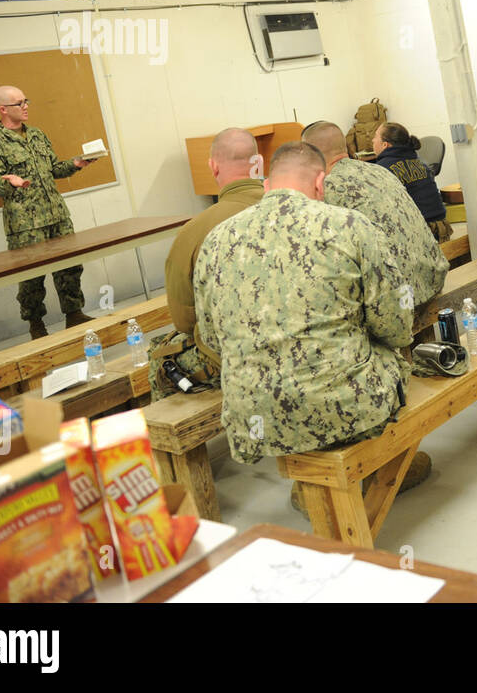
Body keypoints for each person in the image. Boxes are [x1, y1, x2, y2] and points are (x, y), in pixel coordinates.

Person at [192, 142, 414, 466]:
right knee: (390, 357)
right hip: (348, 409)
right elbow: (395, 322)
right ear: (321, 183)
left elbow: (212, 337)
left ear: (266, 186)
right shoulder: (351, 226)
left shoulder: (216, 240)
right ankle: (393, 469)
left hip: (255, 418)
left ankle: (306, 476)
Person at [152, 128, 264, 400]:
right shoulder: (300, 208)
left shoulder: (194, 232)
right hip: (309, 343)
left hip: (241, 359)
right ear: (259, 163)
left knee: (159, 361)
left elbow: (184, 319)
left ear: (213, 168)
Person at [0, 85, 98, 339]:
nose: (25, 106)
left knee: (70, 266)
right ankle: (36, 325)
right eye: (19, 103)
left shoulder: (36, 134)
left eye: (26, 101)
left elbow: (54, 169)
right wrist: (8, 182)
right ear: (3, 109)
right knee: (31, 276)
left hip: (56, 214)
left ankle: (74, 314)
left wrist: (76, 164)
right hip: (26, 223)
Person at [302, 120, 448, 309]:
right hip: (432, 278)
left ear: (310, 154)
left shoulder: (329, 187)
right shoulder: (380, 171)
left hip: (401, 299)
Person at [371, 123, 453, 243]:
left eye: (375, 136)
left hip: (421, 233)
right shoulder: (420, 162)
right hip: (441, 228)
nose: (372, 140)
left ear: (385, 145)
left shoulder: (382, 170)